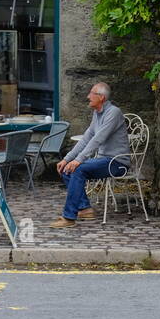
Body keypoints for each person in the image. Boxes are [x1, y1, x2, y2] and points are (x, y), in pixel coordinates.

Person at [51, 81, 130, 228]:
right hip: (103, 160)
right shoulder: (97, 113)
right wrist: (67, 159)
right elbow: (86, 139)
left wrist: (79, 160)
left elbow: (97, 139)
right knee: (66, 169)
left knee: (78, 169)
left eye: (91, 93)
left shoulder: (113, 112)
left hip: (117, 162)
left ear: (101, 97)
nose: (88, 96)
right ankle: (85, 209)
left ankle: (69, 217)